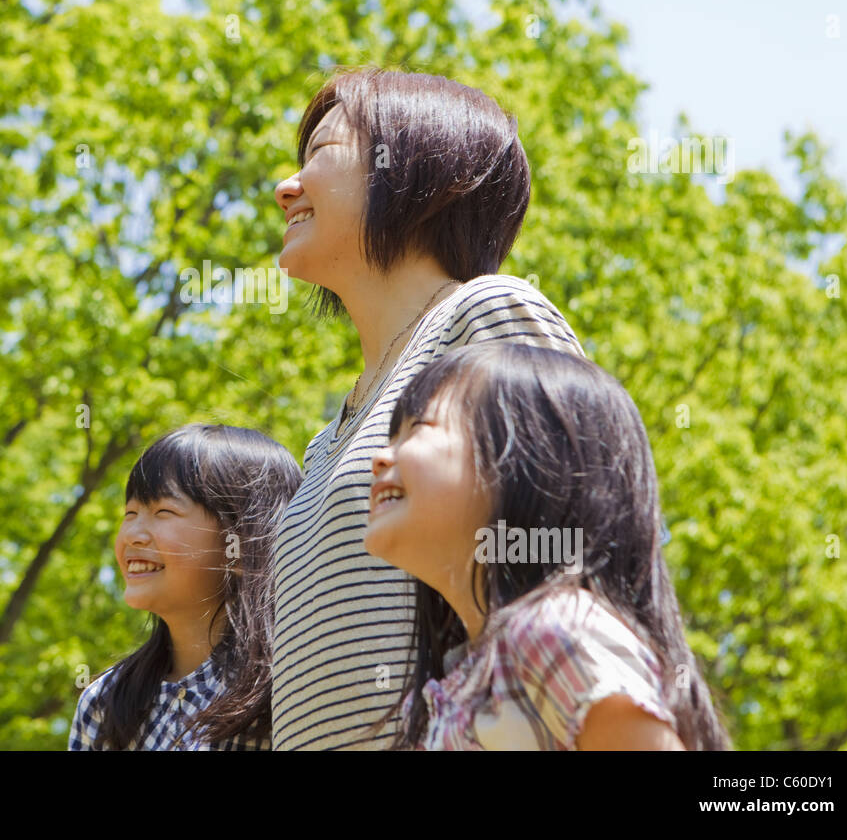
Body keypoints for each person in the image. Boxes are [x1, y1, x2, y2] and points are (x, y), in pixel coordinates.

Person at [271, 66, 585, 750]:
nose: (284, 188)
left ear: (421, 175)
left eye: (320, 156)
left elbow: (580, 565)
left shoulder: (489, 316)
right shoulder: (327, 439)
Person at [365, 342, 730, 750]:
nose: (380, 457)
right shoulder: (449, 689)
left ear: (526, 465)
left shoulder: (552, 632)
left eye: (418, 428)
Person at [68, 424, 301, 749]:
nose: (133, 533)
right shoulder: (103, 703)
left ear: (241, 544)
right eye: (130, 512)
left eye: (164, 511)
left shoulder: (286, 689)